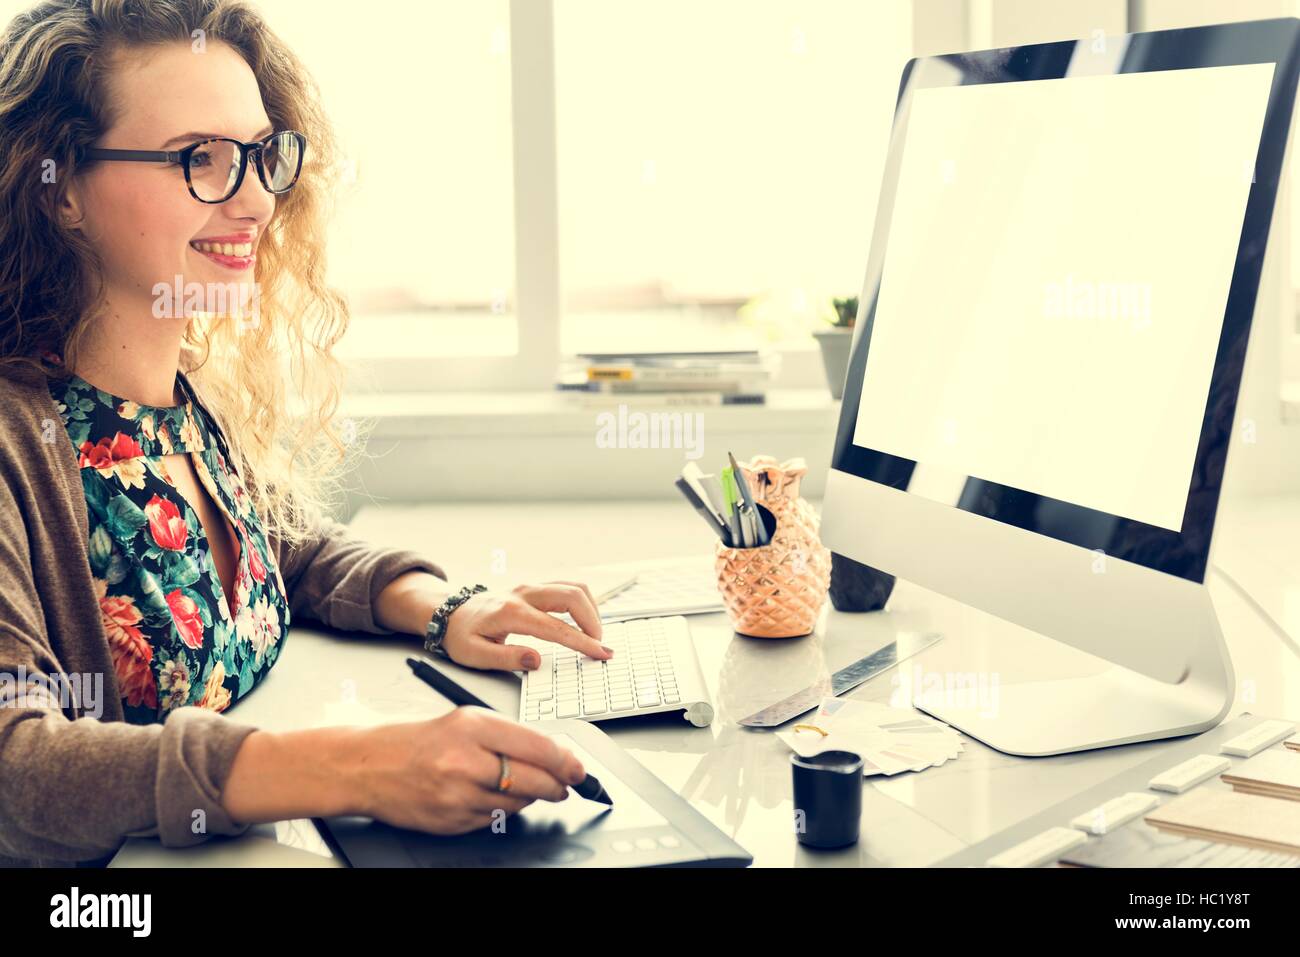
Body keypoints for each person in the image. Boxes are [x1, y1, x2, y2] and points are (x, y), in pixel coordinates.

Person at [0, 0, 614, 867]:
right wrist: (363, 765)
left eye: (259, 155)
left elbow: (280, 549)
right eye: (198, 159)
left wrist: (447, 607)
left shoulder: (185, 401)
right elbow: (16, 766)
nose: (255, 199)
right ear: (59, 186)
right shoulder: (16, 444)